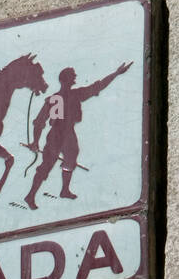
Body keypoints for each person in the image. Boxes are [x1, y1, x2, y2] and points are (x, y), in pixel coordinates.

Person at [25, 61, 132, 206]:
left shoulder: (56, 98)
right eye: (72, 77)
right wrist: (116, 73)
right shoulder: (75, 94)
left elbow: (39, 122)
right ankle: (30, 195)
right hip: (60, 133)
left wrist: (35, 141)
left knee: (70, 159)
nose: (74, 79)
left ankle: (64, 190)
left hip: (64, 133)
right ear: (66, 79)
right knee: (48, 164)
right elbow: (97, 86)